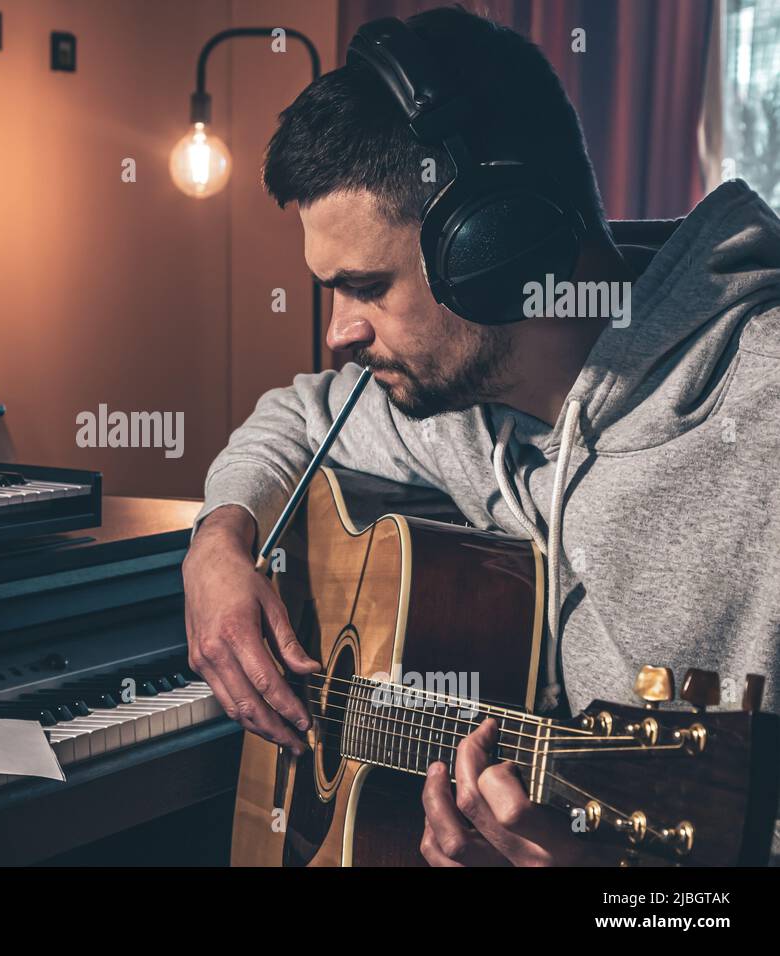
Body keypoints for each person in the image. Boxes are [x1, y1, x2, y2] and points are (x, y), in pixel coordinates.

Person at [183, 5, 780, 866]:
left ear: (499, 250)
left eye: (365, 286)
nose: (339, 332)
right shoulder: (454, 402)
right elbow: (292, 415)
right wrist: (217, 545)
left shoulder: (758, 413)